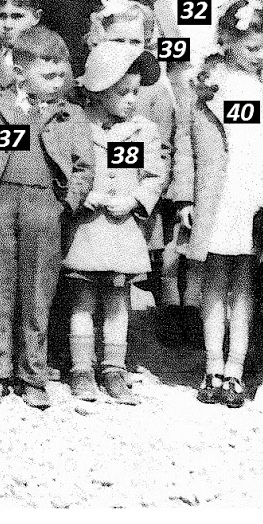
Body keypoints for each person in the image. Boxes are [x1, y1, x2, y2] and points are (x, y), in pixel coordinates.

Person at [173, 0, 263, 410]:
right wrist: (184, 196)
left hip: (260, 196)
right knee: (215, 281)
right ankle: (212, 364)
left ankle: (236, 367)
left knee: (247, 286)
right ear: (229, 41)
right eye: (252, 48)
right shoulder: (205, 77)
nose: (261, 56)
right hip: (218, 194)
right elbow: (184, 142)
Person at [0, 25, 94, 408]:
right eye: (48, 75)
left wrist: (64, 204)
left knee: (39, 293)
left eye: (61, 75)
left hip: (45, 208)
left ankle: (33, 375)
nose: (58, 83)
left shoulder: (71, 115)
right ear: (20, 72)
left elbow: (84, 167)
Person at [63, 40, 167, 404]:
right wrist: (80, 194)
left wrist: (136, 199)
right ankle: (80, 367)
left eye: (135, 92)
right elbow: (64, 169)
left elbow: (155, 174)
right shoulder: (77, 125)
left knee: (118, 300)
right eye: (122, 92)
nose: (131, 100)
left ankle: (114, 368)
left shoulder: (144, 130)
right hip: (87, 228)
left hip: (124, 229)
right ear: (100, 90)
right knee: (83, 300)